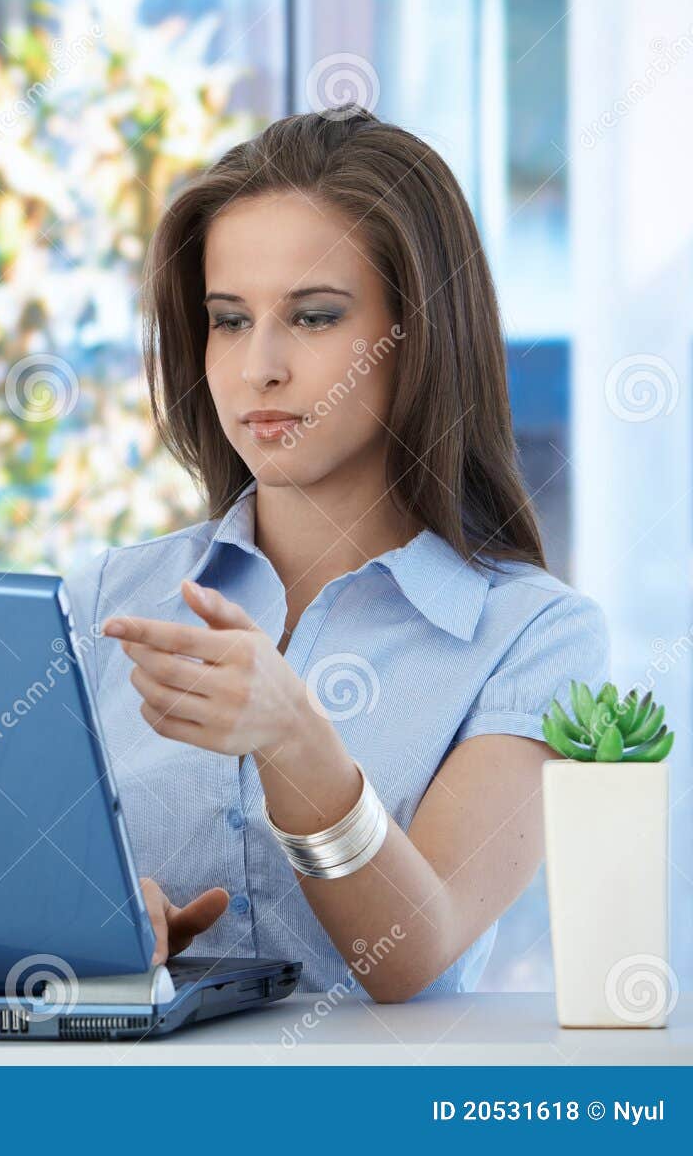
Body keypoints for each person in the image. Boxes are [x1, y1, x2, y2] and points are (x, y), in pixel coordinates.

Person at [66, 107, 609, 1001]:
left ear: (420, 336)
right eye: (229, 320)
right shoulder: (101, 601)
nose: (260, 367)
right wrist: (98, 926)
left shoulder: (536, 638)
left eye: (314, 317)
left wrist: (295, 739)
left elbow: (408, 953)